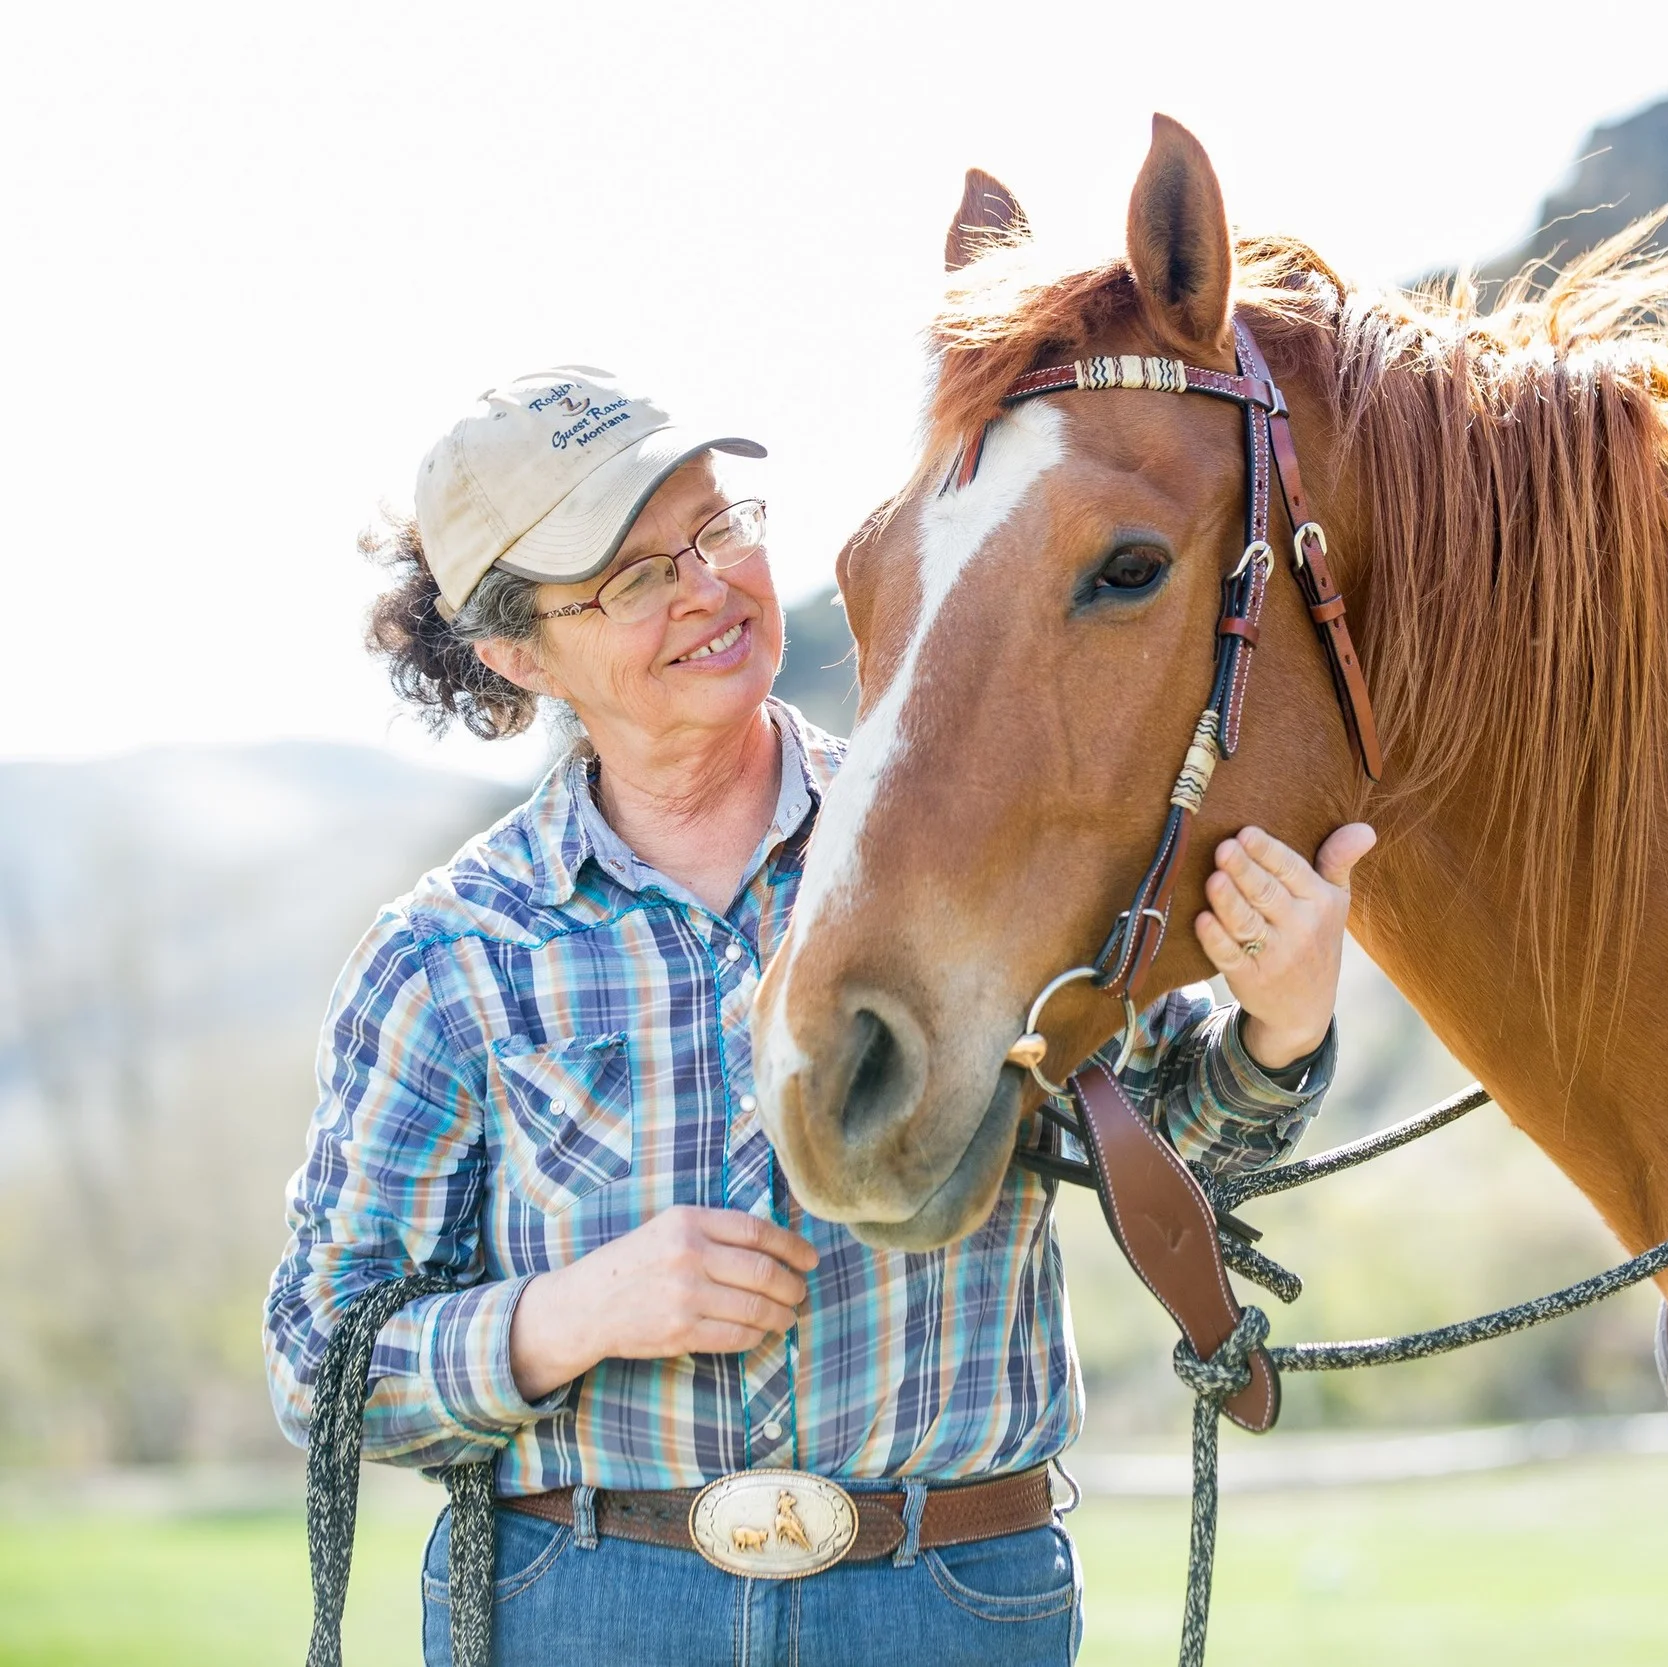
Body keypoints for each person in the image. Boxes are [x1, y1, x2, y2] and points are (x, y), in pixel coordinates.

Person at [262, 367, 1374, 1666]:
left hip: (947, 1601)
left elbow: (1173, 1144)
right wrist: (575, 1312)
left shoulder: (967, 841)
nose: (705, 586)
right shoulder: (452, 954)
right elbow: (319, 1367)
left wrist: (1279, 1025)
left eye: (717, 525)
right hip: (585, 1608)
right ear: (519, 651)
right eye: (631, 579)